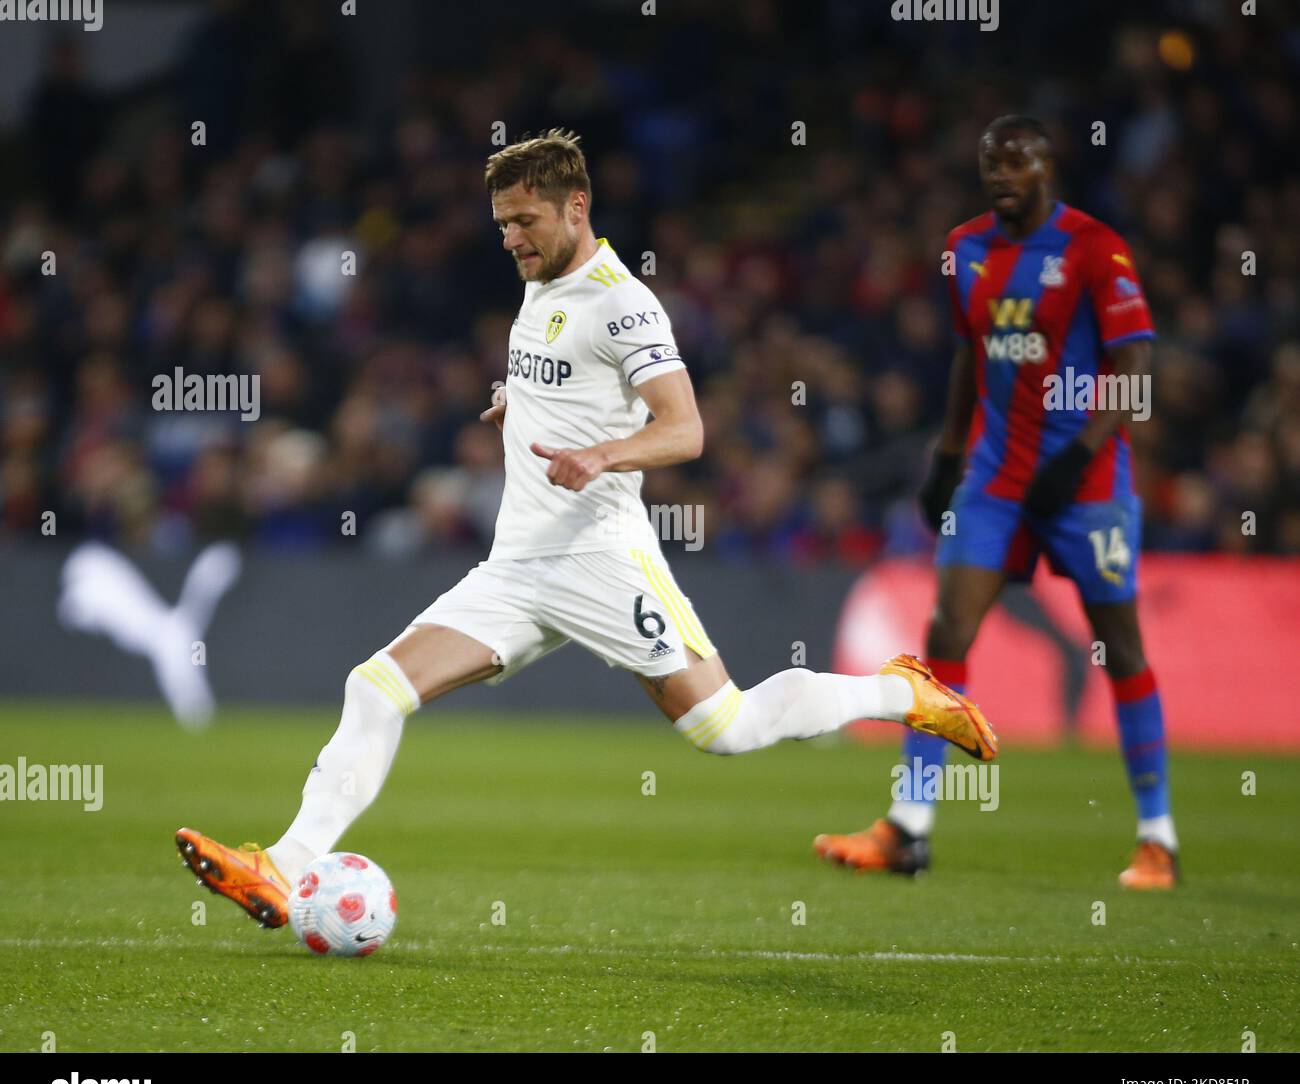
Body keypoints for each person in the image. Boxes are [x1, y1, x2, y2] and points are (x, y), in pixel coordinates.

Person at [176, 129, 996, 928]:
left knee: (725, 727)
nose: (511, 240)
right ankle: (283, 869)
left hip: (602, 557)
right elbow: (564, 380)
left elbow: (686, 429)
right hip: (519, 565)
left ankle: (903, 691)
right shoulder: (540, 288)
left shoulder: (622, 304)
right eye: (501, 224)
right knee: (376, 685)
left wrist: (604, 454)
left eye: (525, 222)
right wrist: (518, 406)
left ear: (576, 207)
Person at [814, 116, 1176, 889]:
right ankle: (909, 828)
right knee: (947, 631)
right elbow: (967, 355)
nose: (1001, 173)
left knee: (1123, 648)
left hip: (1087, 484)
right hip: (996, 480)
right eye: (990, 163)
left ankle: (1158, 837)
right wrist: (947, 457)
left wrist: (1078, 454)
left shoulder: (1093, 247)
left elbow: (1137, 363)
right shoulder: (965, 249)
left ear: (1048, 166)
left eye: (1016, 161)